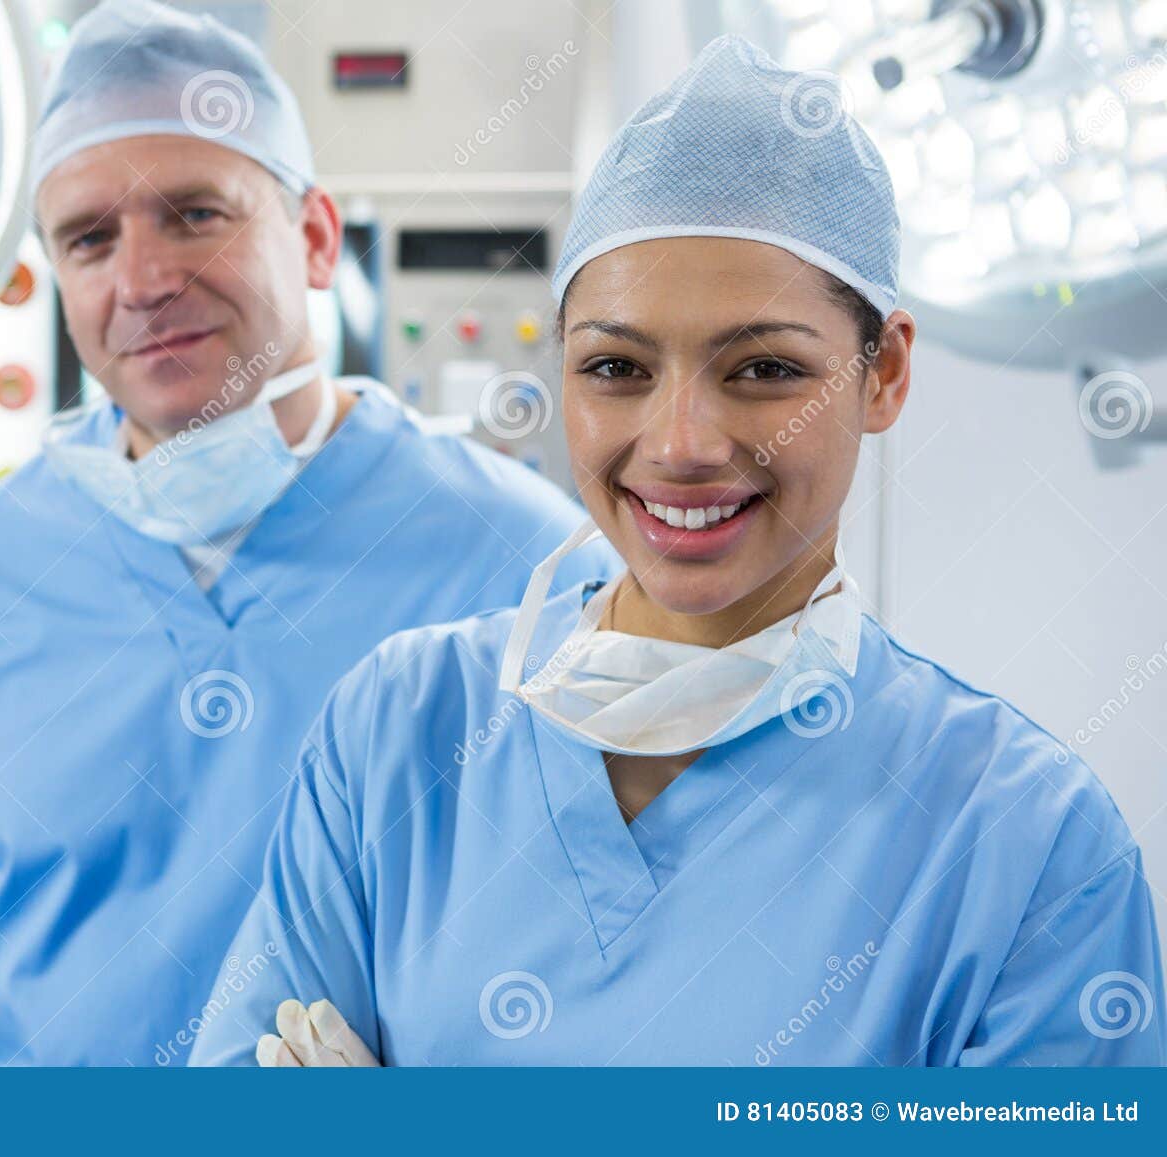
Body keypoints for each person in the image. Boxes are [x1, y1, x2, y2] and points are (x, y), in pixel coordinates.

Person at [190, 36, 1167, 1067]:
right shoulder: (399, 732)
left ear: (883, 375)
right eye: (615, 365)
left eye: (763, 369)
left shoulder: (1020, 839)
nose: (683, 444)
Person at [0, 0, 616, 1065]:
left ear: (312, 237)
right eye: (89, 239)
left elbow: (603, 933)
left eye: (194, 213)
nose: (142, 280)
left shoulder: (527, 564)